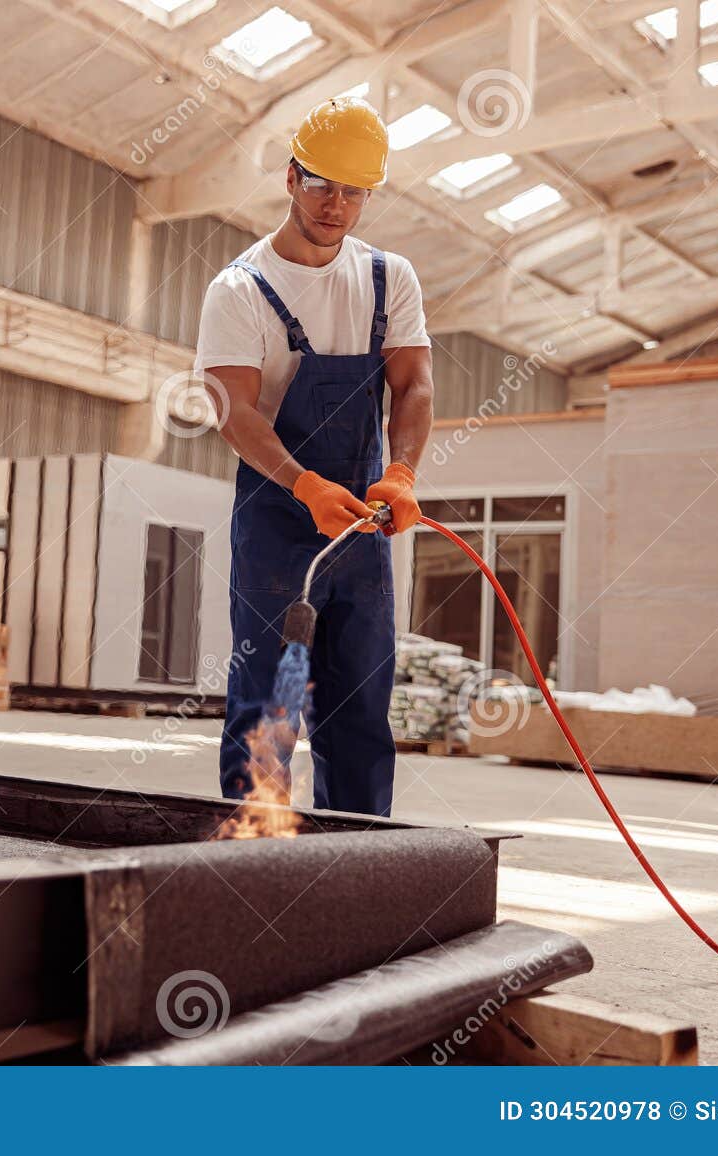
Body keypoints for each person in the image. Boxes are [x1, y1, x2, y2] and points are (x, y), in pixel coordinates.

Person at [196, 96, 434, 817]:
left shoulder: (389, 279)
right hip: (276, 522)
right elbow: (234, 411)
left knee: (360, 715)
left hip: (361, 526)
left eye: (354, 192)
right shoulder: (241, 290)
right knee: (267, 712)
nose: (336, 206)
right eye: (322, 185)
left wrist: (401, 473)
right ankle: (255, 858)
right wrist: (305, 486)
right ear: (292, 177)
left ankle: (358, 859)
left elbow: (413, 385)